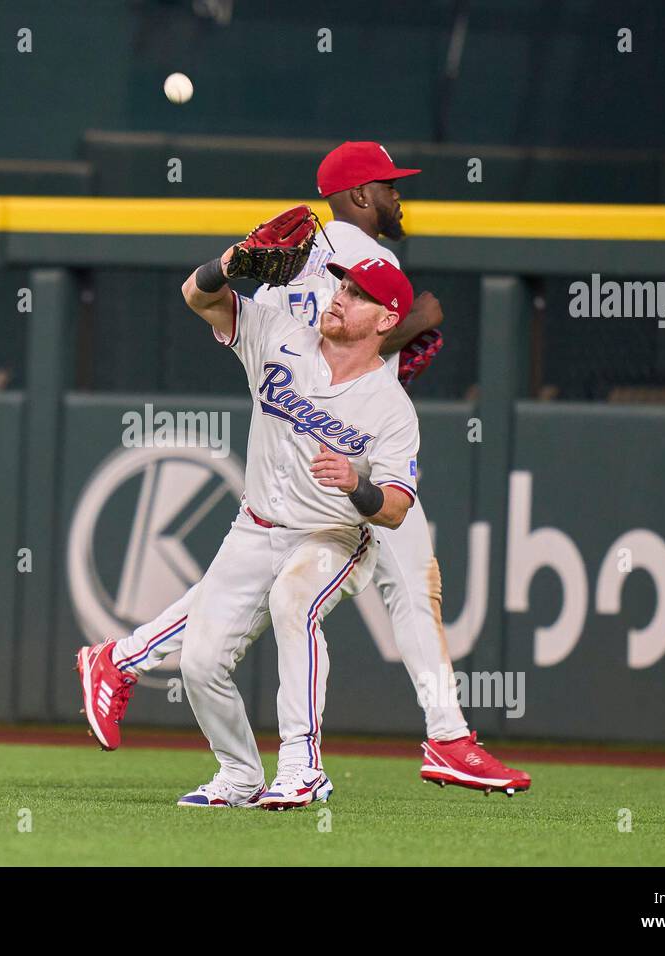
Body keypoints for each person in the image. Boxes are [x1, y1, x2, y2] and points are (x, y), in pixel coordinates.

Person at [76, 142, 530, 800]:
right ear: (361, 195)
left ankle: (444, 737)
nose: (399, 197)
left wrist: (233, 265)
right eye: (389, 186)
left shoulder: (299, 250)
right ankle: (443, 739)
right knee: (387, 585)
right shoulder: (362, 258)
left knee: (355, 579)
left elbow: (306, 341)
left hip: (310, 433)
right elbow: (337, 346)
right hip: (325, 452)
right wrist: (414, 328)